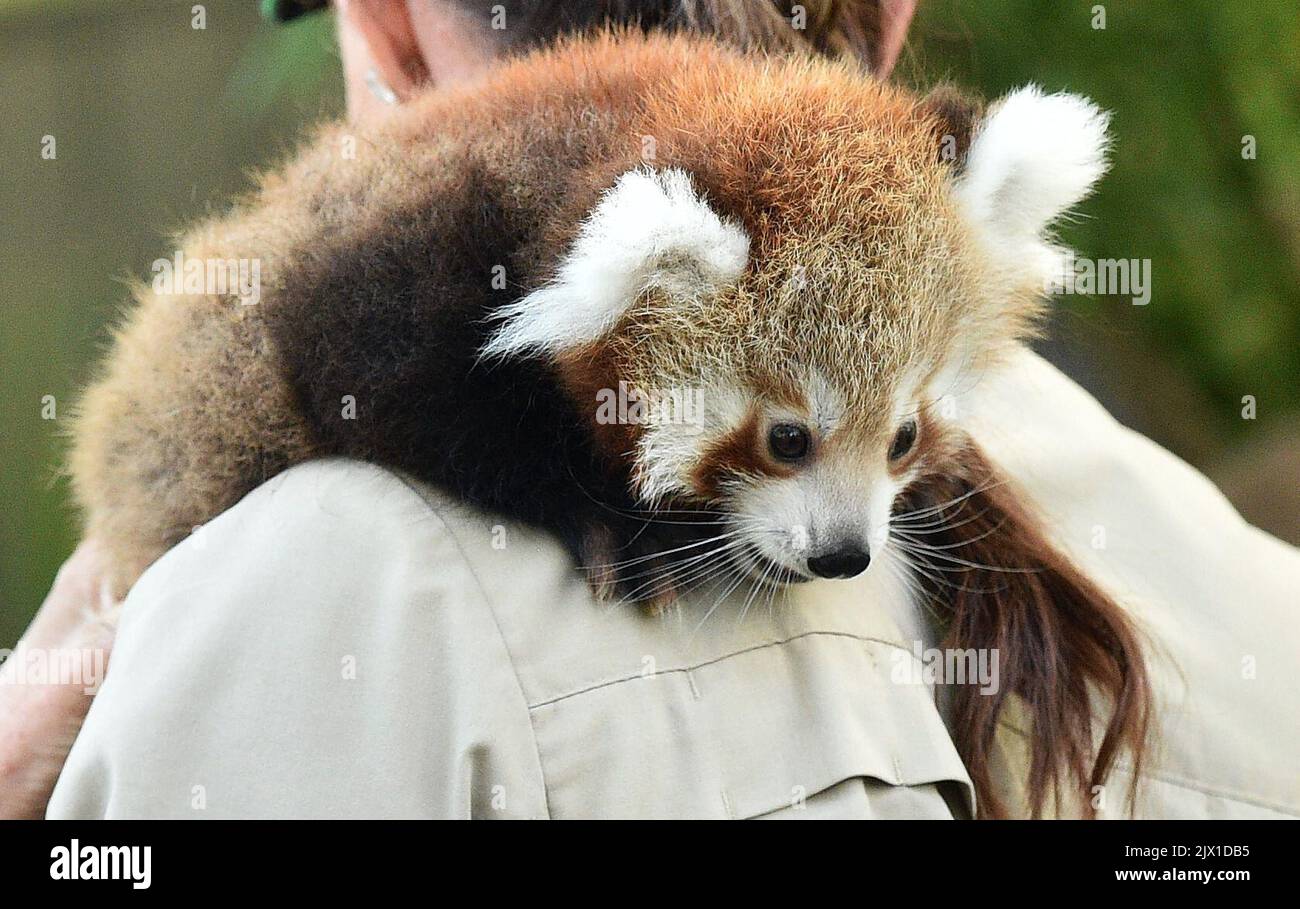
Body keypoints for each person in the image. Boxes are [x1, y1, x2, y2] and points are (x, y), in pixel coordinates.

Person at [6, 0, 1298, 819]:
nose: (859, 531)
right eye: (791, 440)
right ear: (888, 23)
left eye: (894, 442)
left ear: (386, 33)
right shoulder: (1252, 606)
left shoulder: (294, 611)